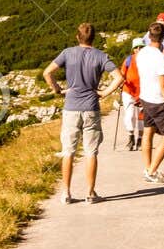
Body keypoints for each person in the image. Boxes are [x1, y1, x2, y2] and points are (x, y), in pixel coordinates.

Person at [43, 23, 121, 204]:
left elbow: (48, 73)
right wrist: (104, 93)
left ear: (77, 37)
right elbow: (119, 77)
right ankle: (90, 193)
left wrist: (57, 89)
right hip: (91, 107)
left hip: (71, 107)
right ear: (93, 38)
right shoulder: (101, 56)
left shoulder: (67, 53)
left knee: (68, 151)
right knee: (90, 152)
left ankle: (66, 193)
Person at [136, 23, 164, 185]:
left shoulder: (141, 53)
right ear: (162, 38)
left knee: (148, 132)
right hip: (157, 101)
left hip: (145, 98)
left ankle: (148, 168)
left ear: (149, 35)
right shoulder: (160, 57)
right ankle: (152, 171)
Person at [119, 36, 145, 150]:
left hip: (144, 93)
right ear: (133, 49)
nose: (139, 49)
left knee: (141, 117)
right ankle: (130, 138)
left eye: (141, 47)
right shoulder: (128, 60)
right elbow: (121, 75)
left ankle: (140, 139)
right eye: (136, 47)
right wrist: (120, 84)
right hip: (128, 91)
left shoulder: (148, 61)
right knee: (129, 116)